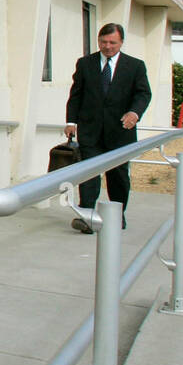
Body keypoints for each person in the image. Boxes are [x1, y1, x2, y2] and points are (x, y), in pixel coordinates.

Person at [64, 23, 152, 232]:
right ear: (98, 41)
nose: (107, 46)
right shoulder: (85, 64)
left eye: (112, 42)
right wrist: (70, 122)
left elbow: (143, 94)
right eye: (103, 42)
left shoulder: (135, 66)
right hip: (90, 131)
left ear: (121, 42)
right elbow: (76, 94)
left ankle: (117, 215)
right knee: (88, 174)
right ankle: (87, 216)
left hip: (121, 132)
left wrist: (134, 113)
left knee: (118, 177)